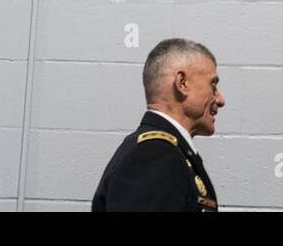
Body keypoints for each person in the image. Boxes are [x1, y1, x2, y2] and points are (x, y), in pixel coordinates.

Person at [92, 38, 225, 212]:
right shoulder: (154, 154)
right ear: (182, 83)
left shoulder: (165, 152)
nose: (220, 100)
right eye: (213, 85)